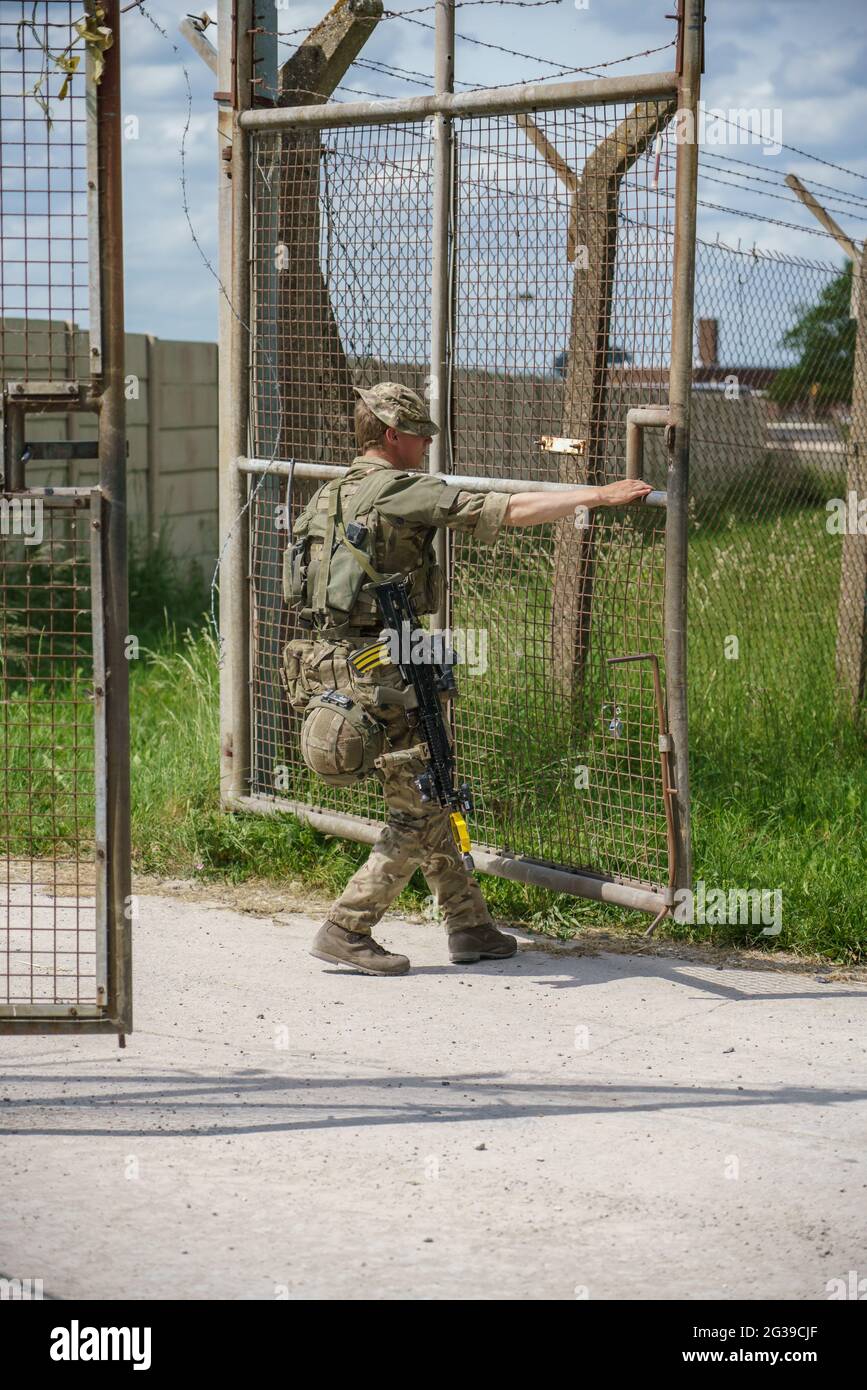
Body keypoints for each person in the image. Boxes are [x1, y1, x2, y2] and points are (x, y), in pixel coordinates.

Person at [283, 382, 652, 976]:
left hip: (333, 664)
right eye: (419, 436)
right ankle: (346, 925)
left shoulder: (327, 495)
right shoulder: (399, 490)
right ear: (392, 436)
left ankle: (470, 925)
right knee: (416, 802)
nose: (426, 445)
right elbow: (507, 509)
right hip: (384, 667)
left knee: (429, 792)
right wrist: (601, 494)